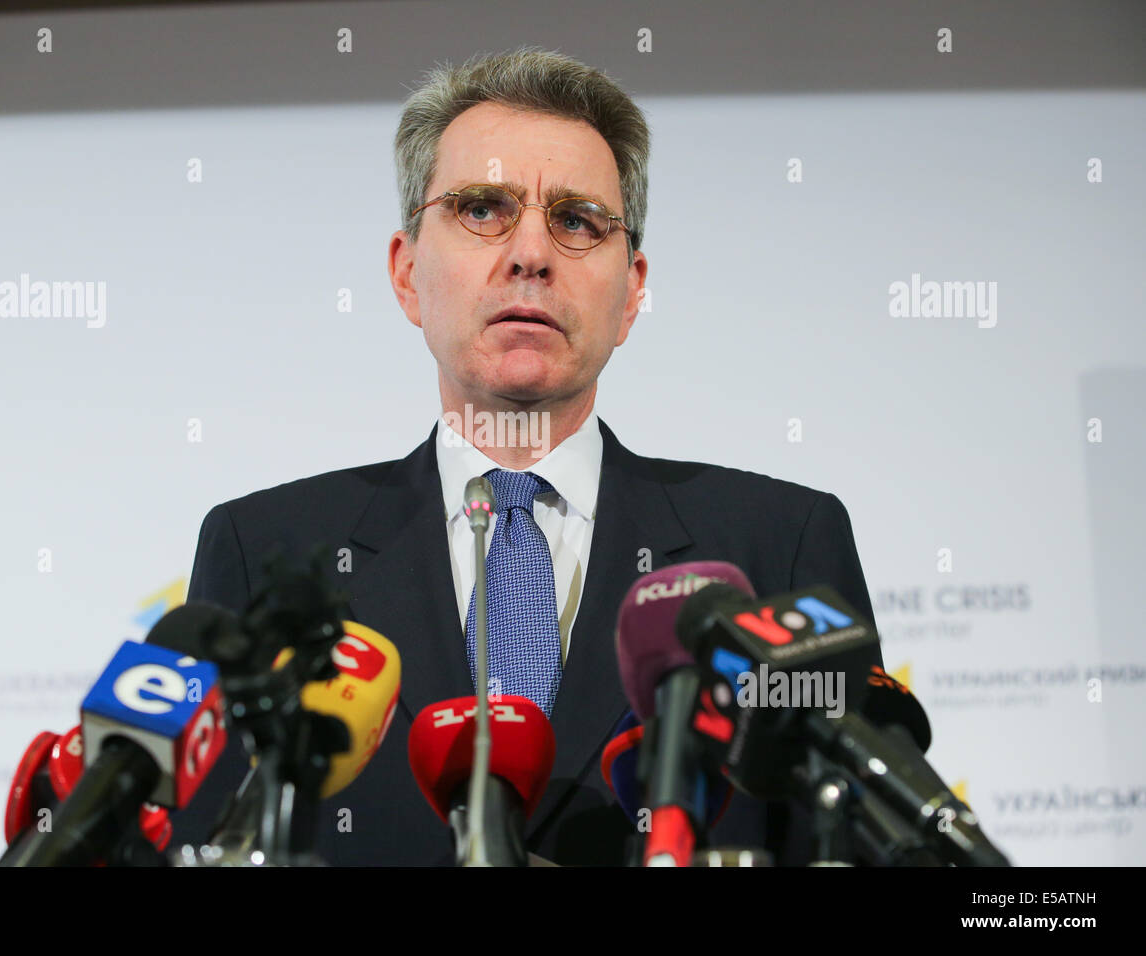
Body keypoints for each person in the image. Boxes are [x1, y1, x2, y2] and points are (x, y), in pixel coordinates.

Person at [173, 46, 882, 865]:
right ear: (407, 273)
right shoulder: (260, 555)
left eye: (578, 221)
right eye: (483, 209)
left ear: (632, 291)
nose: (532, 254)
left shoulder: (782, 546)